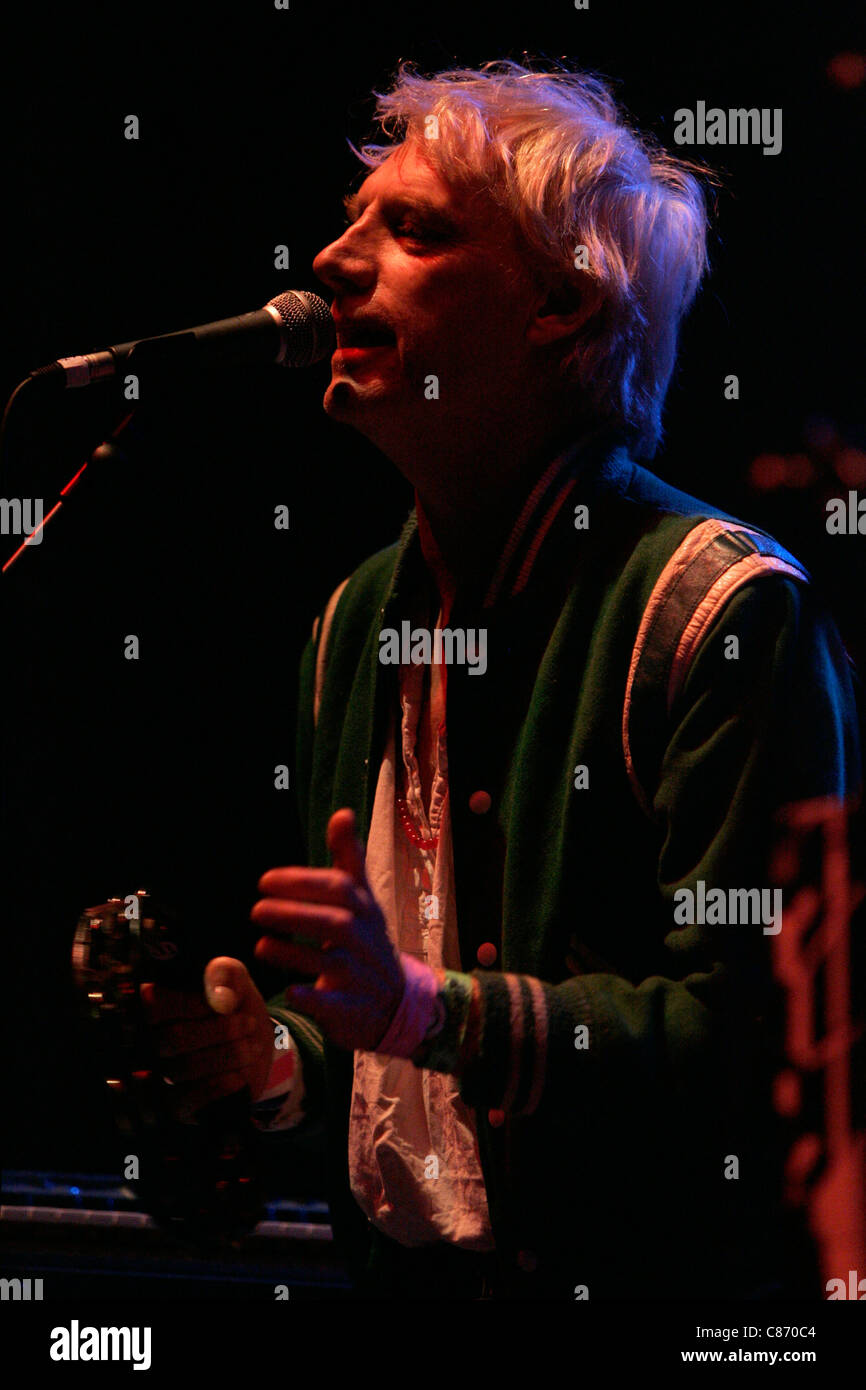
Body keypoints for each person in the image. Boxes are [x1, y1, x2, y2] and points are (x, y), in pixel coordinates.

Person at [143, 61, 861, 1299]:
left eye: (411, 229)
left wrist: (427, 1008)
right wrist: (271, 1058)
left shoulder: (719, 614)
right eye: (356, 219)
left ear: (558, 306)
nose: (328, 257)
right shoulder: (351, 619)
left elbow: (749, 1042)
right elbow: (387, 1056)